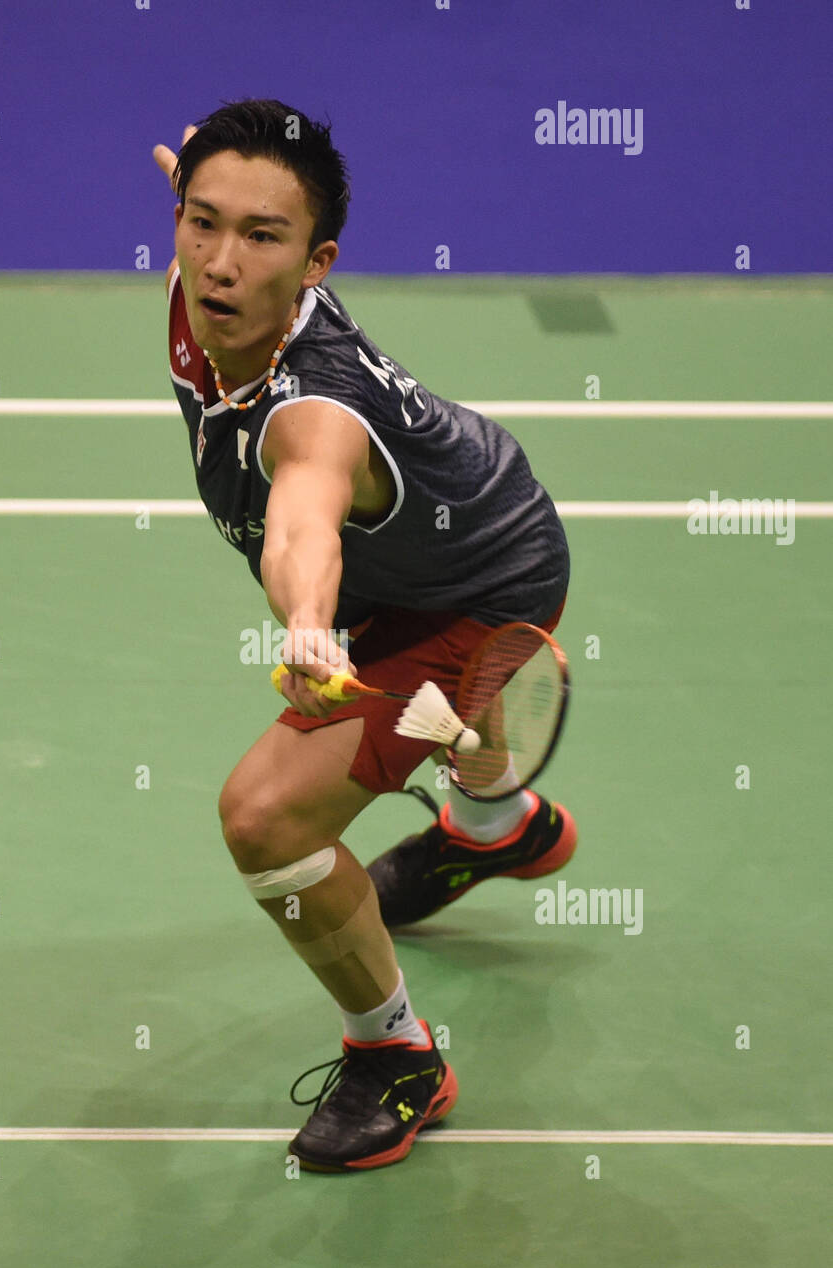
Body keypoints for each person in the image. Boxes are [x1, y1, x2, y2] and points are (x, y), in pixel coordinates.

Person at [152, 99, 576, 1173]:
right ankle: (495, 825)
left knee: (267, 817)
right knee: (426, 724)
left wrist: (305, 622)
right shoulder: (206, 283)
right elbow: (209, 206)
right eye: (202, 222)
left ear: (317, 261)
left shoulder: (314, 409)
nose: (220, 263)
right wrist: (204, 183)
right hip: (412, 566)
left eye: (262, 237)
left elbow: (303, 508)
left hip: (480, 592)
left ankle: (396, 1058)